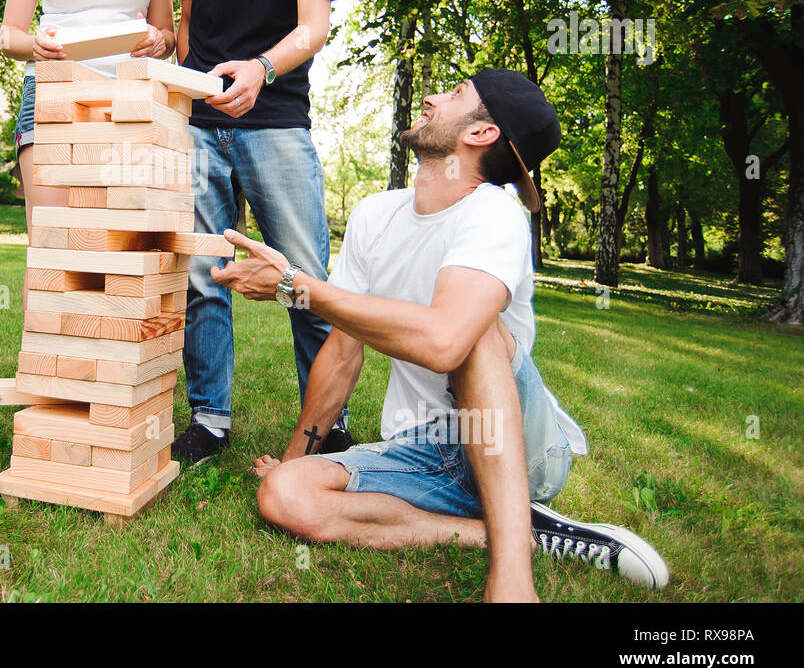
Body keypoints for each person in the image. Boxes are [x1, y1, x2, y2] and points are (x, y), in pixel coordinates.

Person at [213, 69, 669, 601]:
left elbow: (447, 343)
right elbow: (340, 355)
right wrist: (295, 460)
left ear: (481, 134)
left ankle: (513, 579)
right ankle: (517, 532)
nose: (431, 96)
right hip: (425, 451)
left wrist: (298, 287)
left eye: (455, 95)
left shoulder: (495, 214)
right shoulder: (374, 216)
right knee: (285, 496)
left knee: (472, 334)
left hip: (516, 445)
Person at [170, 0, 345, 465]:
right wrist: (183, 91)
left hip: (275, 122)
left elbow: (313, 28)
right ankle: (210, 420)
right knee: (203, 275)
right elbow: (187, 24)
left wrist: (260, 71)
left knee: (308, 281)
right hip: (197, 125)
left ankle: (328, 427)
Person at [0, 0, 176, 307]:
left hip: (129, 103)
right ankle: (52, 372)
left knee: (116, 247)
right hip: (54, 98)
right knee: (54, 248)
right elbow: (7, 34)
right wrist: (34, 45)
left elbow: (166, 30)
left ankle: (108, 371)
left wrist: (158, 41)